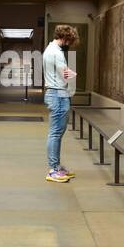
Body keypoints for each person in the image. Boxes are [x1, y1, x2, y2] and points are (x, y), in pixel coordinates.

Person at [42, 25, 79, 182]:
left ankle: (56, 167)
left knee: (57, 132)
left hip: (55, 93)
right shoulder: (56, 52)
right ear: (66, 38)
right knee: (55, 133)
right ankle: (53, 170)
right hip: (58, 94)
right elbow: (66, 75)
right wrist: (72, 89)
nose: (70, 44)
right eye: (70, 40)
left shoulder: (50, 49)